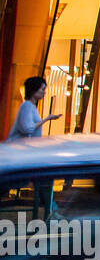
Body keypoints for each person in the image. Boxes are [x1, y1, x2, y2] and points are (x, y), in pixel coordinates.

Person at [7, 76, 63, 218]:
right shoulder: (27, 106)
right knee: (44, 180)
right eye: (42, 89)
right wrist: (47, 119)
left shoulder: (30, 107)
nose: (44, 92)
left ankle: (51, 211)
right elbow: (28, 129)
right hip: (21, 154)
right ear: (34, 91)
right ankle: (51, 212)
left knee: (44, 180)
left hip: (24, 153)